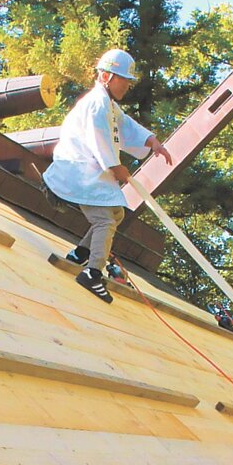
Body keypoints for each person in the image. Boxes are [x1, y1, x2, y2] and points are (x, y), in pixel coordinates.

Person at [43, 48, 172, 303]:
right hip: (78, 171)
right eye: (123, 79)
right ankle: (92, 272)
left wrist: (150, 140)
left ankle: (81, 253)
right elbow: (98, 138)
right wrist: (116, 167)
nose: (127, 86)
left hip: (91, 170)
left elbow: (125, 126)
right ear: (106, 77)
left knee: (116, 212)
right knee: (104, 220)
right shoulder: (96, 103)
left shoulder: (109, 105)